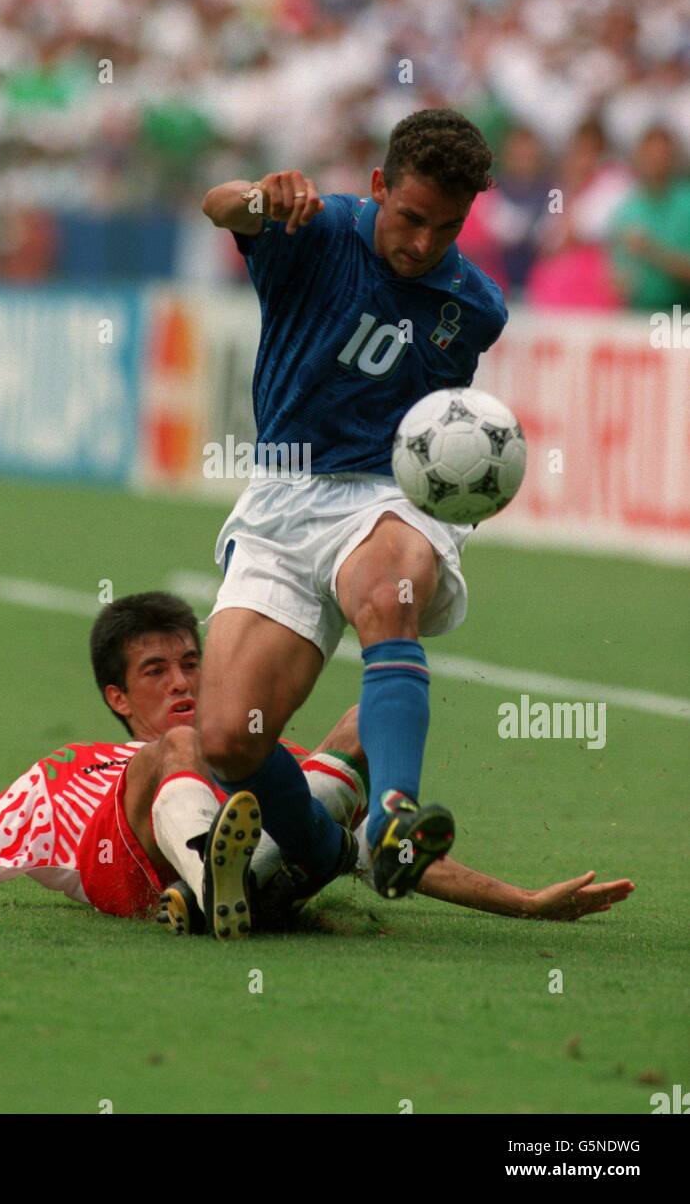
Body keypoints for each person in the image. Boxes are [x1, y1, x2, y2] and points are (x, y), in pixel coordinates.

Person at [0, 593, 634, 939]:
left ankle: (231, 885)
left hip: (266, 870)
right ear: (116, 695)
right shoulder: (66, 776)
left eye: (190, 663)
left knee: (352, 729)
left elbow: (366, 858)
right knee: (176, 752)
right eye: (156, 672)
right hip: (138, 870)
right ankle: (218, 878)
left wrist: (524, 903)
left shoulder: (241, 744)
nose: (182, 682)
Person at [199, 107, 507, 905]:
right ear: (378, 188)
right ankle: (323, 849)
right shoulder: (317, 227)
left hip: (385, 495)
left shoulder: (477, 308)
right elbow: (219, 204)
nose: (423, 243)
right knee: (231, 739)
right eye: (410, 218)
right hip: (283, 495)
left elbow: (444, 430)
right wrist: (260, 199)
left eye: (448, 227)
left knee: (383, 593)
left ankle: (392, 818)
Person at [610, 125, 690, 311]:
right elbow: (615, 275)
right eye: (651, 155)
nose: (656, 161)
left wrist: (652, 251)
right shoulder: (626, 209)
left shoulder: (686, 204)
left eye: (662, 156)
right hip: (637, 318)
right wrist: (618, 282)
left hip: (681, 315)